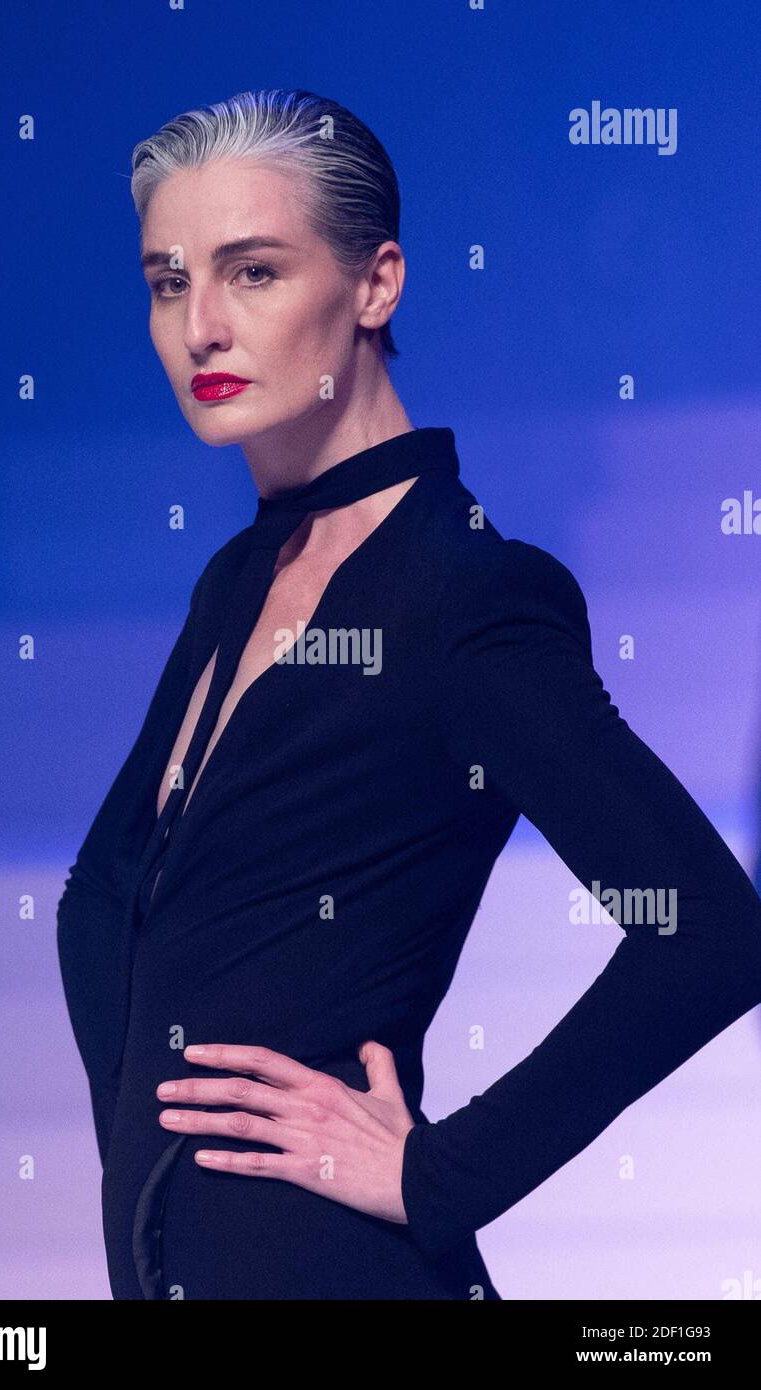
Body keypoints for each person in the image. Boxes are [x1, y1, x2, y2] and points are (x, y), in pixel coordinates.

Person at [56, 88, 761, 1300]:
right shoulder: (236, 583)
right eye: (168, 282)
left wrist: (441, 1175)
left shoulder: (462, 596)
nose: (201, 327)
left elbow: (707, 927)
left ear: (375, 285)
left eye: (254, 271)